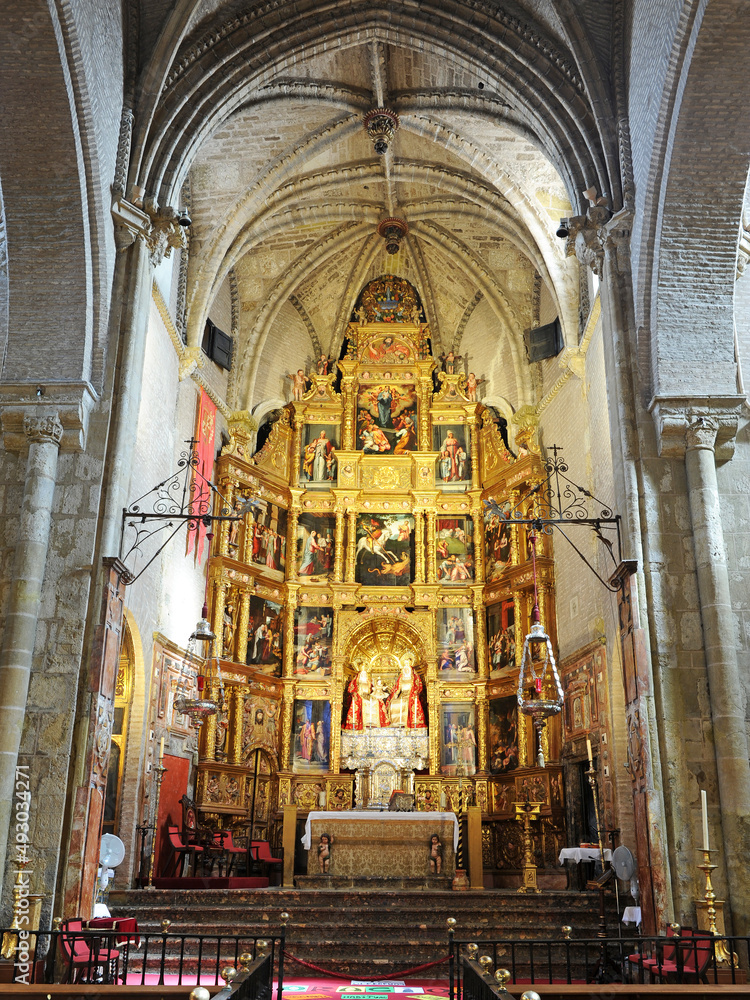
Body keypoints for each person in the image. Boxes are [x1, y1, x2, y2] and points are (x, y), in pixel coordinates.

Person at [386, 657, 426, 728]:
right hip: (402, 695)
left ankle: (406, 723)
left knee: (406, 703)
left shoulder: (413, 679)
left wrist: (413, 693)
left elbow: (418, 688)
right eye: (405, 669)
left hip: (410, 695)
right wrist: (395, 695)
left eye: (408, 669)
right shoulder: (401, 679)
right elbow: (397, 688)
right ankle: (396, 723)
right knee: (394, 703)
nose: (406, 671)